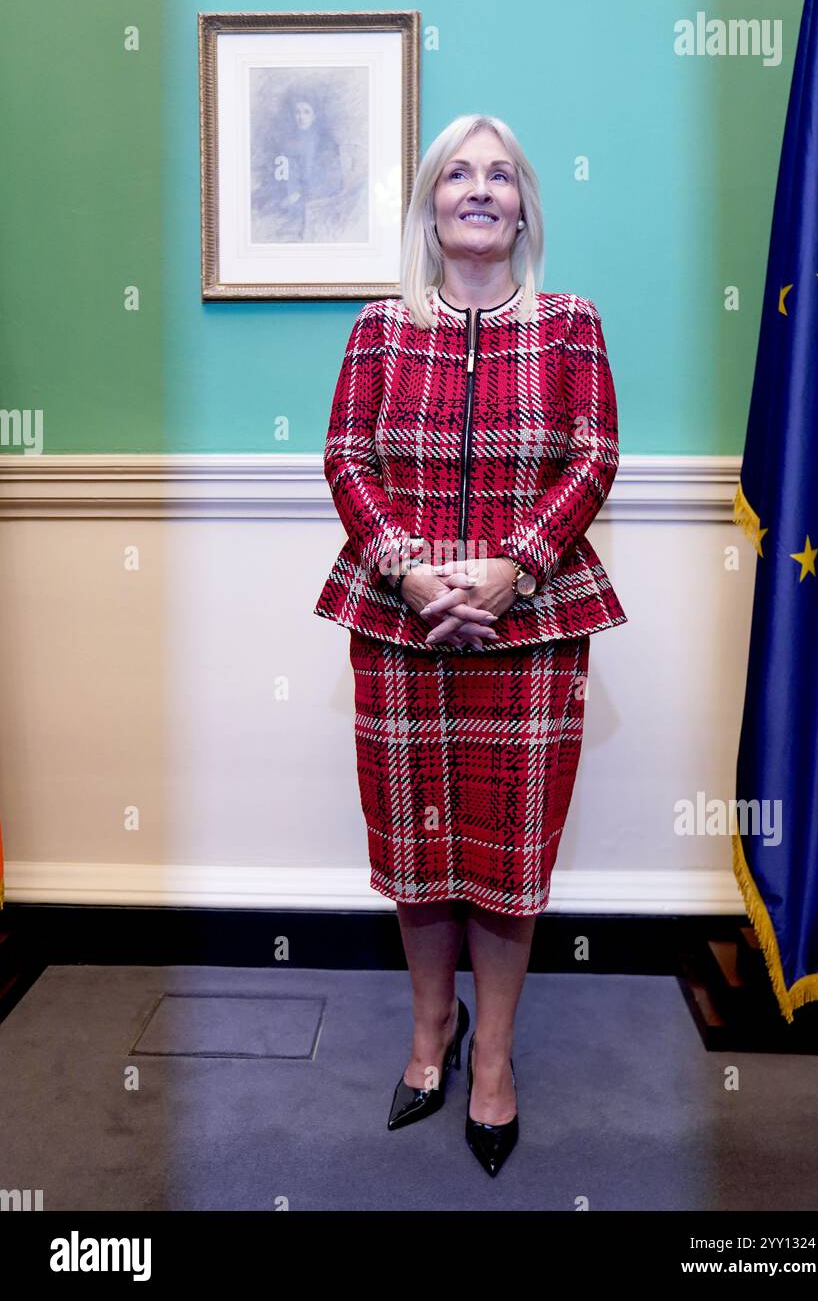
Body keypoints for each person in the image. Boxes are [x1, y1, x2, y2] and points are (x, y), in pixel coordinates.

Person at [313, 112, 627, 1175]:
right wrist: (407, 568)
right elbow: (346, 458)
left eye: (501, 175)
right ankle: (426, 1035)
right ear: (430, 203)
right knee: (416, 849)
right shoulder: (376, 327)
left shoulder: (572, 323)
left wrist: (512, 566)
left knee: (505, 855)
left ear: (525, 205)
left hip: (532, 622)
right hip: (397, 619)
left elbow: (593, 457)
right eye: (458, 173)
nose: (480, 189)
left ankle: (491, 1058)